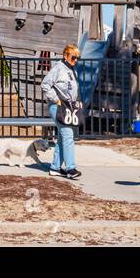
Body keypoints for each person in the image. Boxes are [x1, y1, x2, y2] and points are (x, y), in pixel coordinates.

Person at [41, 43, 82, 178]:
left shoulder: (71, 70)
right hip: (58, 106)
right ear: (65, 56)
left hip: (68, 107)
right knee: (68, 135)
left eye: (77, 58)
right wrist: (55, 99)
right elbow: (45, 85)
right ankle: (70, 168)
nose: (75, 60)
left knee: (62, 137)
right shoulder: (58, 68)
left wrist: (77, 102)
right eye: (73, 57)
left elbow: (73, 89)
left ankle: (55, 167)